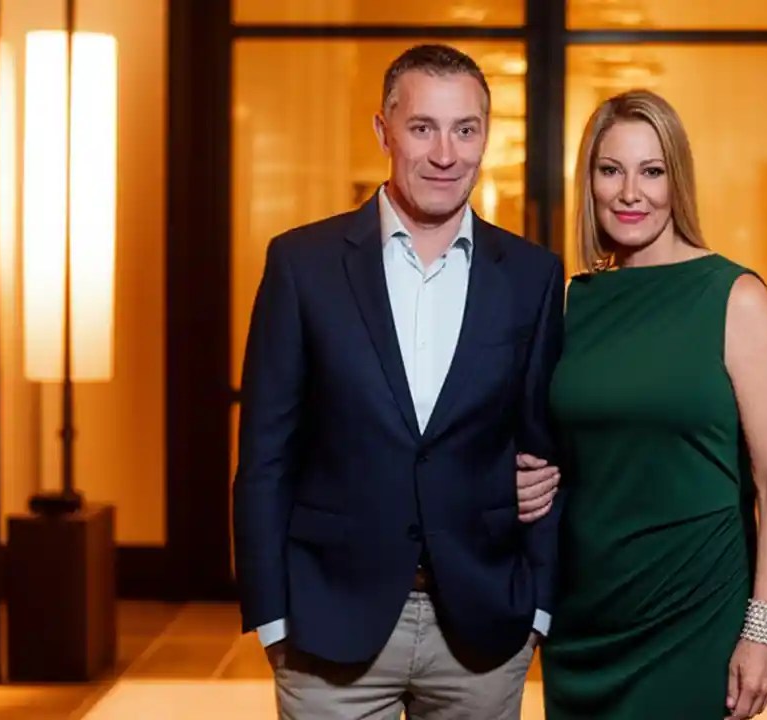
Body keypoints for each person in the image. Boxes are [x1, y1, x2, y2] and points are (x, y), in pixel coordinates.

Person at [232, 43, 565, 720]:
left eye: (465, 129)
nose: (446, 153)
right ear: (383, 131)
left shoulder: (532, 276)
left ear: (485, 137)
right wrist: (271, 618)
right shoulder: (303, 265)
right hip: (328, 627)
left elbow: (543, 448)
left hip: (483, 631)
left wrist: (538, 609)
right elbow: (265, 455)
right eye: (422, 128)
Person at [529, 89, 767, 719]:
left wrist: (763, 631)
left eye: (651, 171)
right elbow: (562, 451)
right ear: (589, 182)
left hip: (694, 615)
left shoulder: (735, 298)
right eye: (611, 170)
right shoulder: (572, 302)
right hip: (586, 619)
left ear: (676, 179)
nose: (631, 193)